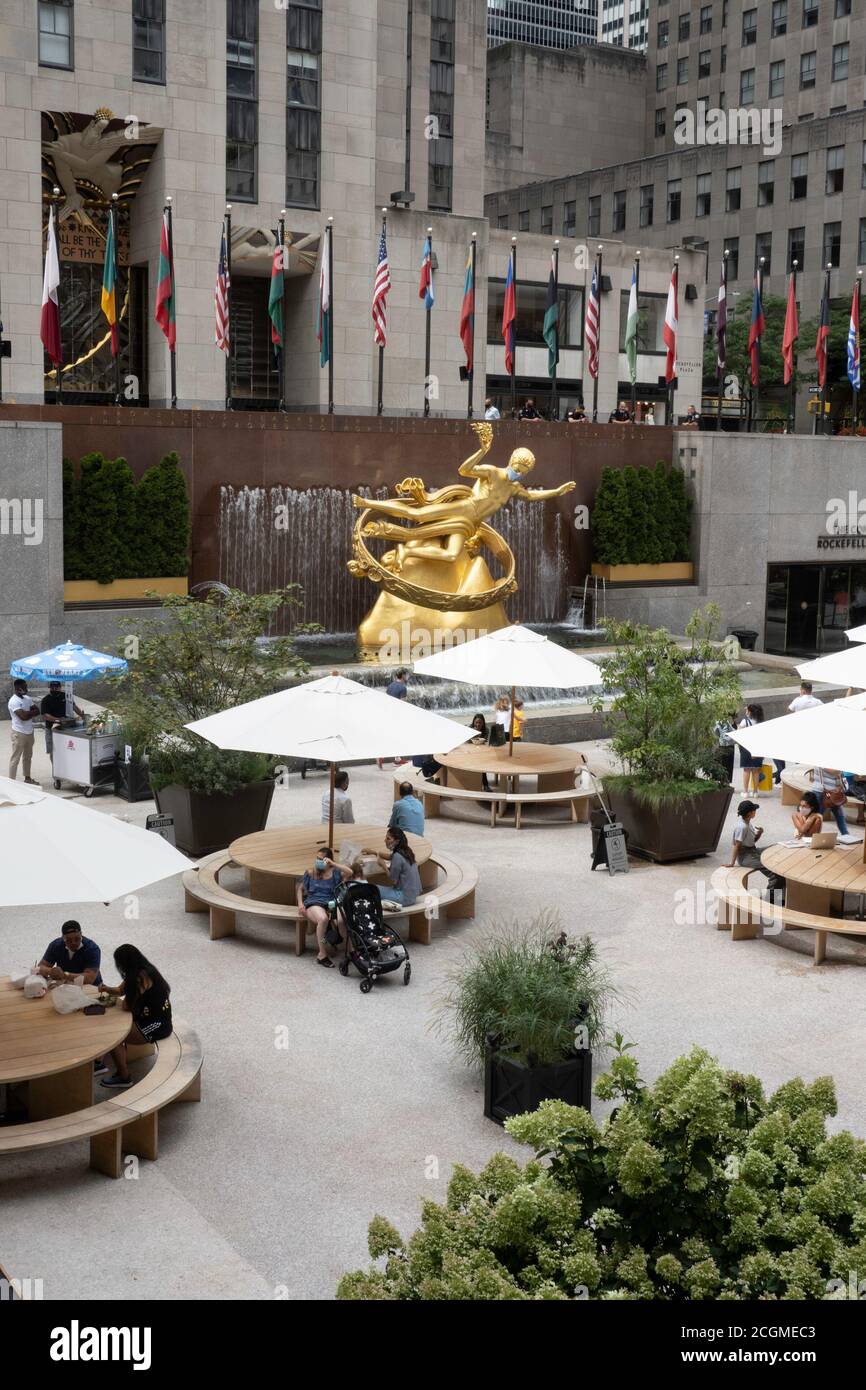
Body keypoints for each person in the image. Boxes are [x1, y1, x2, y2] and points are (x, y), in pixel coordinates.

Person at [98, 944, 172, 1089]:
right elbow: (120, 990)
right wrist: (106, 988)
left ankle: (124, 1077)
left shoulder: (140, 978)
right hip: (152, 1017)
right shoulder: (143, 969)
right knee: (116, 1027)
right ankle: (113, 1066)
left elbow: (127, 1005)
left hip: (157, 1024)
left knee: (115, 1037)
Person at [297, 848, 352, 966]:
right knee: (323, 919)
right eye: (317, 858)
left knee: (341, 921)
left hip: (331, 903)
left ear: (328, 860)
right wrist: (300, 904)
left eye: (321, 859)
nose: (318, 861)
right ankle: (322, 954)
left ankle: (350, 950)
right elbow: (300, 889)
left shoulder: (335, 873)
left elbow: (350, 872)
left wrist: (333, 864)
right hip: (314, 902)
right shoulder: (311, 872)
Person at [725, 801, 784, 896]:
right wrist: (732, 863)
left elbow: (752, 841)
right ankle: (770, 901)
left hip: (752, 850)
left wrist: (759, 833)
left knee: (776, 847)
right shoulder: (742, 827)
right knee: (777, 875)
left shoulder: (747, 822)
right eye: (754, 810)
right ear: (750, 813)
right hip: (746, 856)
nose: (755, 812)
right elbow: (737, 845)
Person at [36, 919, 102, 986]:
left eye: (77, 939)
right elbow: (40, 967)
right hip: (67, 986)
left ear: (81, 934)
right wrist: (51, 971)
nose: (73, 943)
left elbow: (89, 978)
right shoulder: (56, 946)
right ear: (63, 938)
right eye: (69, 940)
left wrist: (64, 975)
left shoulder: (92, 949)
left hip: (92, 988)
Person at [374, 828, 422, 907]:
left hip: (404, 898)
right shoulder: (407, 851)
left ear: (396, 841)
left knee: (373, 888)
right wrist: (375, 853)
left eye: (388, 838)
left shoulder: (397, 856)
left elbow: (393, 880)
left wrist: (383, 865)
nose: (385, 840)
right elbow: (390, 856)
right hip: (413, 894)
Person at [40, 680, 84, 757]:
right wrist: (59, 720)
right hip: (51, 728)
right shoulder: (45, 700)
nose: (54, 689)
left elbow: (73, 706)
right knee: (53, 751)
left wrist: (82, 715)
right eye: (52, 688)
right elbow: (46, 716)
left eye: (56, 688)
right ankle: (55, 767)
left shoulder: (65, 696)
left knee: (67, 749)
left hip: (66, 728)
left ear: (60, 688)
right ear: (49, 688)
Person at [811, 768, 856, 841]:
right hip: (820, 792)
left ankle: (846, 836)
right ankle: (812, 837)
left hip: (834, 794)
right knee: (817, 817)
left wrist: (840, 786)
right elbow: (833, 771)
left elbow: (838, 776)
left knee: (840, 816)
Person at [8, 678, 39, 783]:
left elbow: (37, 710)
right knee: (15, 758)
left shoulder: (27, 698)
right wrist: (30, 713)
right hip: (18, 733)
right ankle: (11, 782)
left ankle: (27, 778)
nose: (27, 689)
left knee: (28, 757)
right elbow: (23, 717)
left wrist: (27, 713)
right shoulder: (13, 701)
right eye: (25, 687)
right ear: (18, 688)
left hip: (29, 732)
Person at [377, 669, 410, 768]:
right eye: (407, 675)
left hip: (388, 713)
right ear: (403, 676)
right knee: (398, 736)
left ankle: (396, 758)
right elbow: (403, 704)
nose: (408, 677)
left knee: (392, 735)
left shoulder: (391, 685)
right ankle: (383, 756)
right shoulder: (403, 688)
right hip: (397, 714)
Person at [738, 703, 766, 795]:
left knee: (746, 770)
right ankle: (755, 792)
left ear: (750, 712)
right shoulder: (761, 722)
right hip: (758, 748)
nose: (746, 712)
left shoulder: (744, 722)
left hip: (746, 749)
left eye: (747, 710)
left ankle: (745, 792)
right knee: (756, 771)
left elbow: (739, 734)